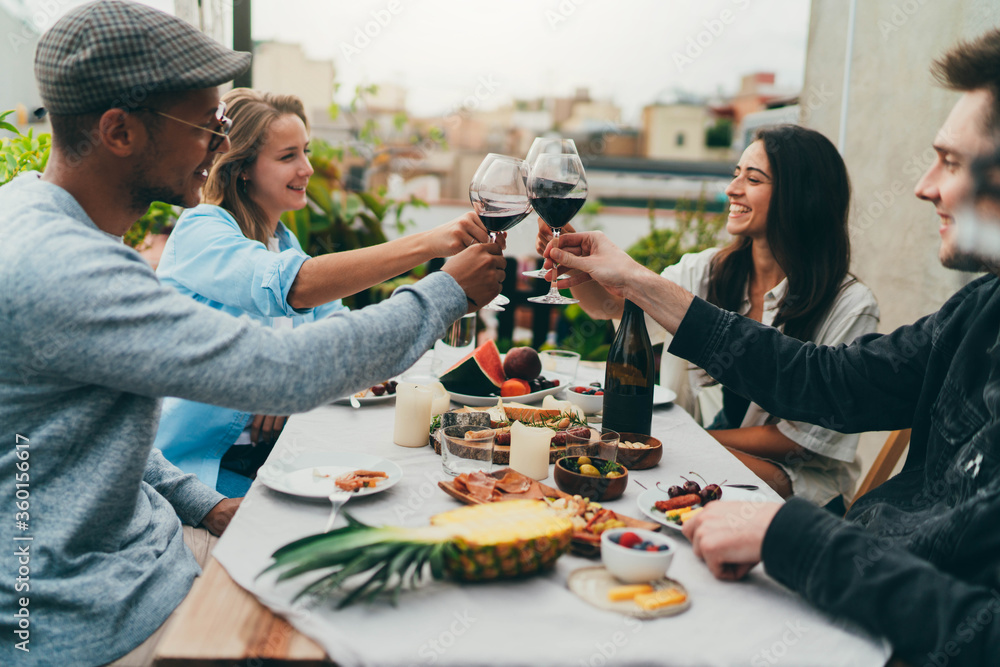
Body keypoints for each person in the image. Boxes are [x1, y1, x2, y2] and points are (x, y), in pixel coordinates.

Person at [0, 2, 503, 666]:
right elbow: (284, 370)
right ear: (120, 131)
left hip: (150, 557)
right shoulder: (62, 264)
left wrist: (204, 506)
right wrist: (447, 290)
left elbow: (85, 429)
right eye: (205, 125)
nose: (218, 144)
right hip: (86, 619)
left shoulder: (38, 212)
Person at [539, 28, 1000, 664]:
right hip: (837, 587)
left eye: (950, 161)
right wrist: (631, 282)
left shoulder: (849, 301)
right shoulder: (981, 308)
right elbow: (827, 382)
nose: (925, 187)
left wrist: (793, 537)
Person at [153, 88, 494, 497]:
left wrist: (283, 393)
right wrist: (430, 245)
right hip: (201, 469)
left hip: (278, 451)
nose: (307, 168)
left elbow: (342, 335)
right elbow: (292, 286)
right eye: (287, 157)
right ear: (242, 167)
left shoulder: (287, 245)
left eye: (306, 151)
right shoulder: (202, 231)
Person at [537, 126, 879, 507]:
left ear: (802, 195)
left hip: (798, 483)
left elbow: (797, 439)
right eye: (736, 174)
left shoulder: (851, 306)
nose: (732, 189)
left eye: (753, 179)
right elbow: (613, 307)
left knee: (635, 469)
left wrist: (689, 438)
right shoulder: (708, 270)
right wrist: (573, 258)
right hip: (706, 450)